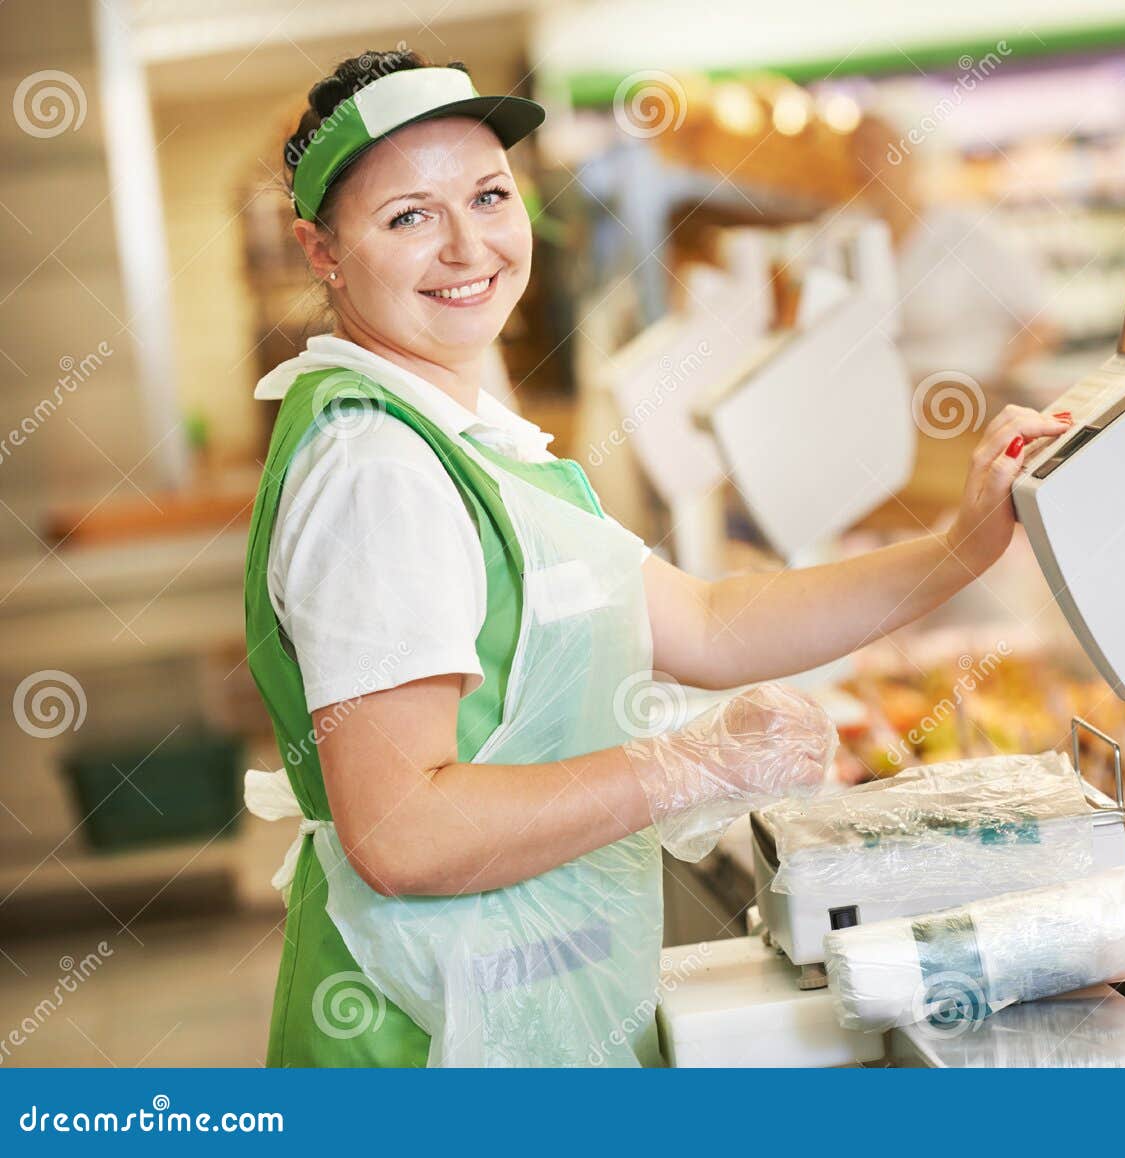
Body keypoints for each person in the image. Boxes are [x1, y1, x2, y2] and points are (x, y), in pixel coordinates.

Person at [243, 49, 1075, 1067]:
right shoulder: (376, 465)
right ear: (321, 253)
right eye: (408, 215)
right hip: (423, 1039)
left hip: (518, 1007)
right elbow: (404, 830)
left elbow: (708, 625)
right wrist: (683, 765)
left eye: (489, 195)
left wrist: (959, 547)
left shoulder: (468, 438)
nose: (468, 245)